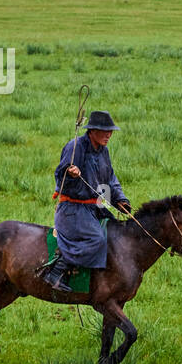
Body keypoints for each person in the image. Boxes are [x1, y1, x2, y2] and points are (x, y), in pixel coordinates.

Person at [43, 110, 132, 292]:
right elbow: (61, 174)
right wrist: (71, 173)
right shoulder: (75, 147)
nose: (109, 135)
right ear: (92, 131)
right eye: (104, 131)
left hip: (94, 208)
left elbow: (110, 180)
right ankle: (57, 270)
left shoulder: (103, 152)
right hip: (72, 209)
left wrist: (120, 200)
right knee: (97, 239)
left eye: (111, 131)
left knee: (114, 233)